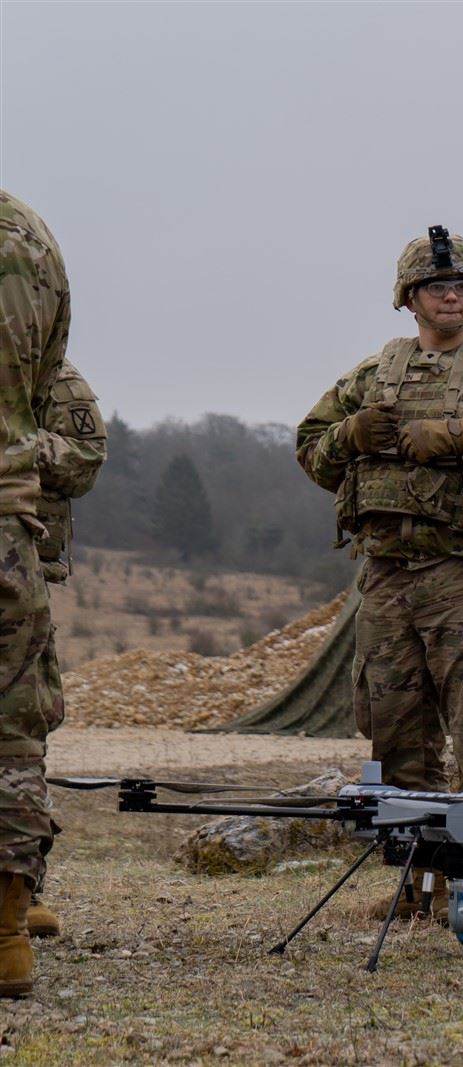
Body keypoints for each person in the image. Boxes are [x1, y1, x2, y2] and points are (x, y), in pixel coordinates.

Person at [295, 226, 463, 922]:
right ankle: (415, 879)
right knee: (396, 735)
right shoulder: (370, 377)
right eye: (438, 286)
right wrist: (350, 435)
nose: (453, 295)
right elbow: (311, 449)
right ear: (408, 297)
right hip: (387, 578)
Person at [0, 189, 71, 998]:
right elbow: (46, 374)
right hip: (7, 528)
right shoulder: (33, 237)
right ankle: (7, 930)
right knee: (12, 737)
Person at [23, 359, 107, 941]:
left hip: (20, 578)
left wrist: (16, 448)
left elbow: (84, 461)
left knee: (19, 735)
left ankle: (18, 890)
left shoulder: (53, 377)